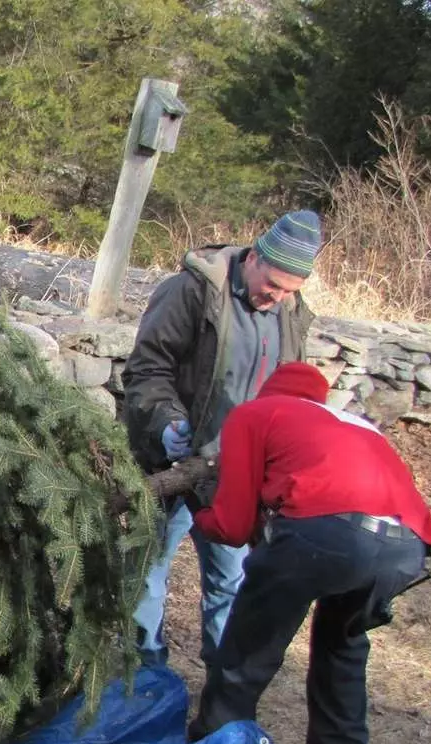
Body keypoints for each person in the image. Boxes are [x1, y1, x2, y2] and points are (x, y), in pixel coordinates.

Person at [187, 362, 431, 744]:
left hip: (324, 535)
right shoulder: (359, 425)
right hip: (406, 546)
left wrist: (196, 509)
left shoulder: (255, 414)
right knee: (342, 648)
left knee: (249, 649)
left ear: (270, 392)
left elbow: (230, 524)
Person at [120, 210, 322, 669]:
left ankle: (224, 679)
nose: (277, 297)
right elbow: (147, 369)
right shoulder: (191, 292)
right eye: (272, 283)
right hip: (169, 462)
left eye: (291, 290)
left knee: (230, 579)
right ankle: (145, 674)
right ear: (253, 257)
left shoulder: (290, 313)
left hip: (236, 473)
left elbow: (289, 391)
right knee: (148, 572)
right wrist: (166, 423)